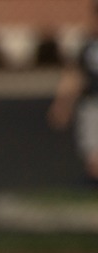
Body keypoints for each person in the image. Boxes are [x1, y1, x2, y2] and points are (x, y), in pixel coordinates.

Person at [47, 1, 98, 185]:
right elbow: (73, 77)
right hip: (92, 105)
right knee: (93, 155)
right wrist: (62, 105)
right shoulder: (86, 47)